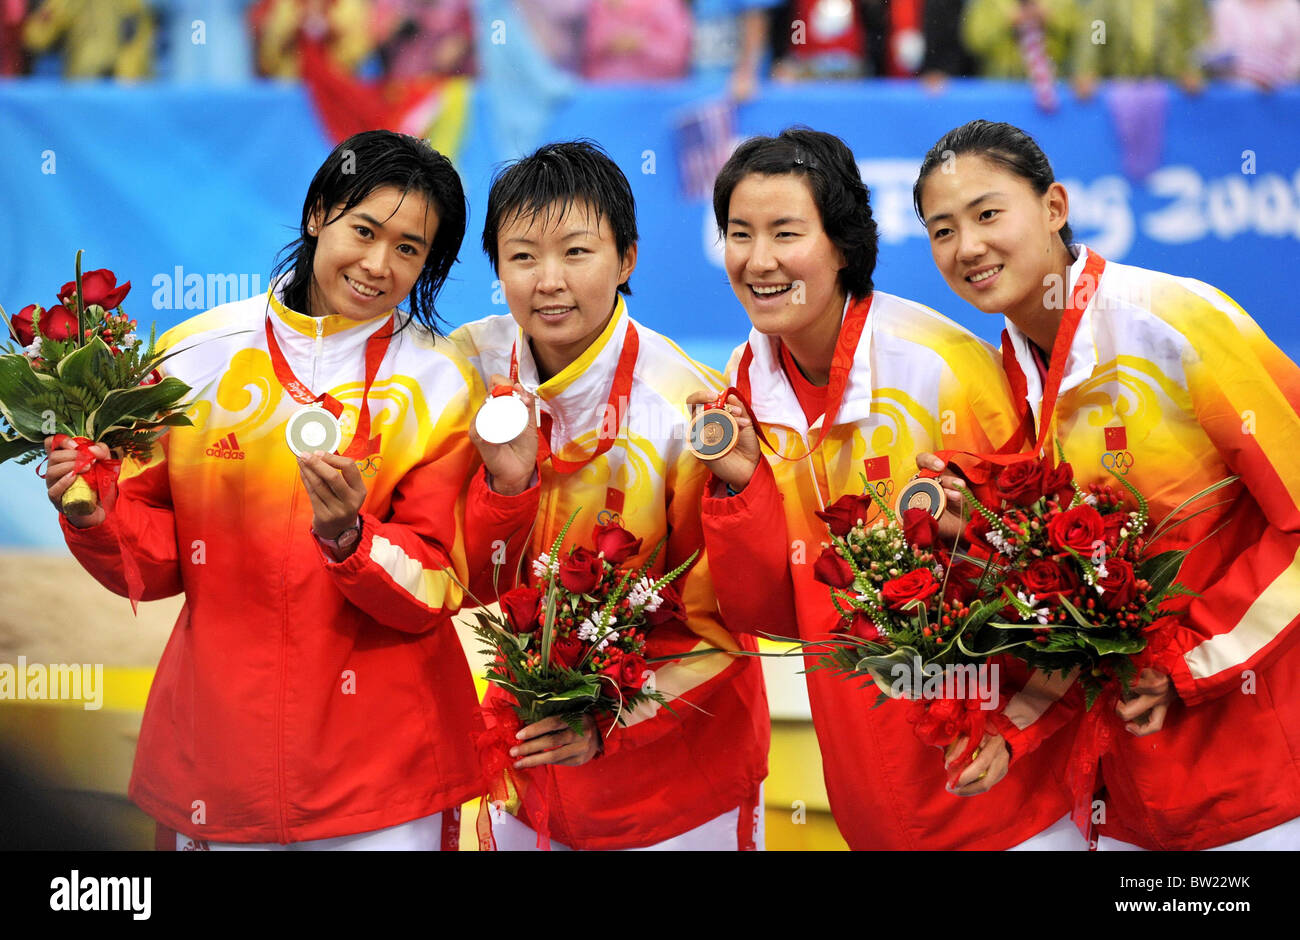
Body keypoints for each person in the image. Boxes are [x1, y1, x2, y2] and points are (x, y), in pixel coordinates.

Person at [44, 130, 540, 850]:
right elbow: (157, 564)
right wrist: (92, 511)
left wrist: (351, 537)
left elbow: (441, 580)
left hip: (383, 784)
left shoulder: (443, 384)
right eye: (364, 230)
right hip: (219, 765)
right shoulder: (195, 357)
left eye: (410, 249)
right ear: (317, 214)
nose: (378, 265)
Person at [913, 118, 1300, 850]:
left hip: (1259, 788)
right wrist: (1013, 727)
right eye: (941, 230)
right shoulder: (1007, 388)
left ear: (1054, 206)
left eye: (988, 213)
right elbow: (1068, 606)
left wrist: (1187, 663)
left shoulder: (1175, 323)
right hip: (1122, 796)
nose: (968, 247)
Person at [690, 127, 1082, 849]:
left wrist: (1019, 727)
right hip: (866, 792)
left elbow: (1050, 589)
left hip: (1004, 796)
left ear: (843, 244)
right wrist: (741, 488)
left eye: (785, 232)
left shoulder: (946, 370)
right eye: (739, 234)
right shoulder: (743, 384)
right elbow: (770, 611)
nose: (759, 259)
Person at [451, 140, 770, 851]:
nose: (549, 281)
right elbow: (460, 575)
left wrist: (606, 724)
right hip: (529, 772)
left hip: (678, 797)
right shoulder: (466, 369)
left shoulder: (687, 412)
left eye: (576, 252)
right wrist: (507, 487)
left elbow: (723, 632)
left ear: (628, 259)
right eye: (523, 256)